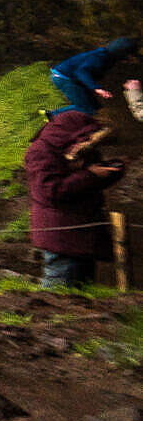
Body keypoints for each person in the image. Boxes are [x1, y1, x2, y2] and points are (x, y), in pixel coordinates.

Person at [26, 108, 125, 287]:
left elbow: (85, 179)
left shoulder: (78, 149)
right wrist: (92, 175)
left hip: (80, 234)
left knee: (81, 294)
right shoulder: (41, 153)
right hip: (61, 237)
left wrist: (110, 171)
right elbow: (50, 190)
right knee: (59, 295)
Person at [49, 38, 135, 114]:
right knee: (85, 109)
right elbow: (82, 72)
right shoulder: (99, 57)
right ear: (121, 53)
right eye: (129, 55)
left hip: (71, 78)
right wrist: (97, 88)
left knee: (95, 107)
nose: (131, 58)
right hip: (64, 78)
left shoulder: (108, 57)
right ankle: (52, 115)